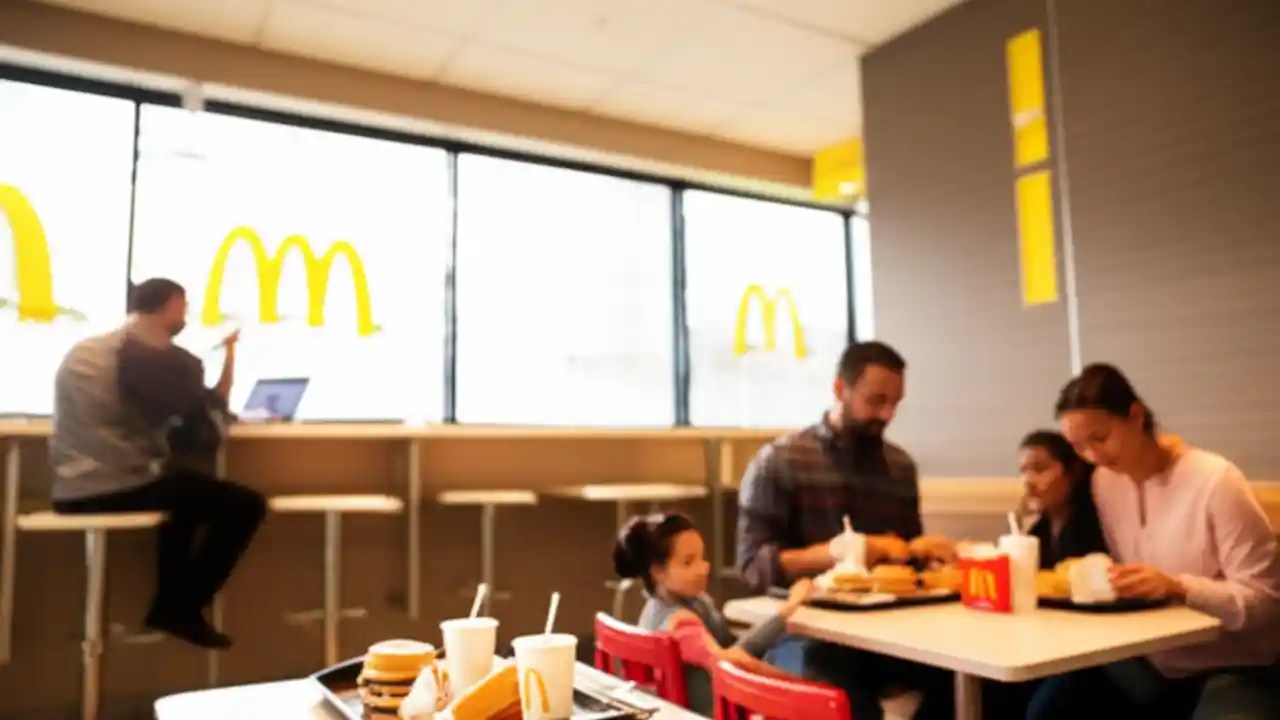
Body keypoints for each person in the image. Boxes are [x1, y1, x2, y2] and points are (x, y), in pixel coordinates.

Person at [1026, 363, 1280, 719]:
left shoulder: (1215, 481)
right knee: (1048, 707)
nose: (1093, 456)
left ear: (1135, 416)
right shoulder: (1106, 483)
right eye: (1079, 446)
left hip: (1233, 664)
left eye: (1100, 438)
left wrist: (1178, 587)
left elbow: (1266, 604)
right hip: (1153, 661)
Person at [736, 340, 956, 720]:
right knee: (842, 694)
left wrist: (925, 556)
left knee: (967, 679)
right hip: (803, 629)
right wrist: (840, 551)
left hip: (889, 630)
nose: (887, 414)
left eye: (895, 403)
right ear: (840, 389)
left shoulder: (900, 467)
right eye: (876, 400)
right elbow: (753, 565)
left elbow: (906, 561)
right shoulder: (780, 461)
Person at [50, 278, 266, 649]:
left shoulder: (96, 348)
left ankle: (173, 606)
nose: (186, 316)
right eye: (183, 307)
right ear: (168, 306)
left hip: (71, 486)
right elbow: (200, 427)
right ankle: (179, 608)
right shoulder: (144, 352)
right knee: (245, 505)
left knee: (185, 496)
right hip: (108, 485)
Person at [616, 511, 815, 715]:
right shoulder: (681, 623)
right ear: (658, 572)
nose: (703, 568)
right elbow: (734, 662)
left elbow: (732, 646)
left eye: (702, 558)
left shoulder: (666, 605)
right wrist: (803, 687)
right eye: (688, 562)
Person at [1016, 430, 1108, 568]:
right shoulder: (1040, 527)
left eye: (1039, 469)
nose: (1028, 482)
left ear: (1074, 472)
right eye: (1024, 471)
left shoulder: (1098, 524)